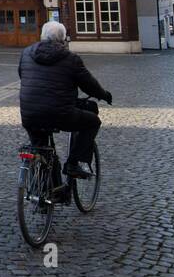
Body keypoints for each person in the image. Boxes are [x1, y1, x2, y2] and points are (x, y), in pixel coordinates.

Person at [18, 21, 112, 179]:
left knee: (41, 148)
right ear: (63, 40)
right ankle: (73, 164)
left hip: (29, 114)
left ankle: (50, 190)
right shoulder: (71, 58)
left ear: (42, 36)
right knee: (93, 122)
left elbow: (22, 75)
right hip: (60, 113)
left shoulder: (26, 53)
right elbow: (89, 85)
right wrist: (104, 94)